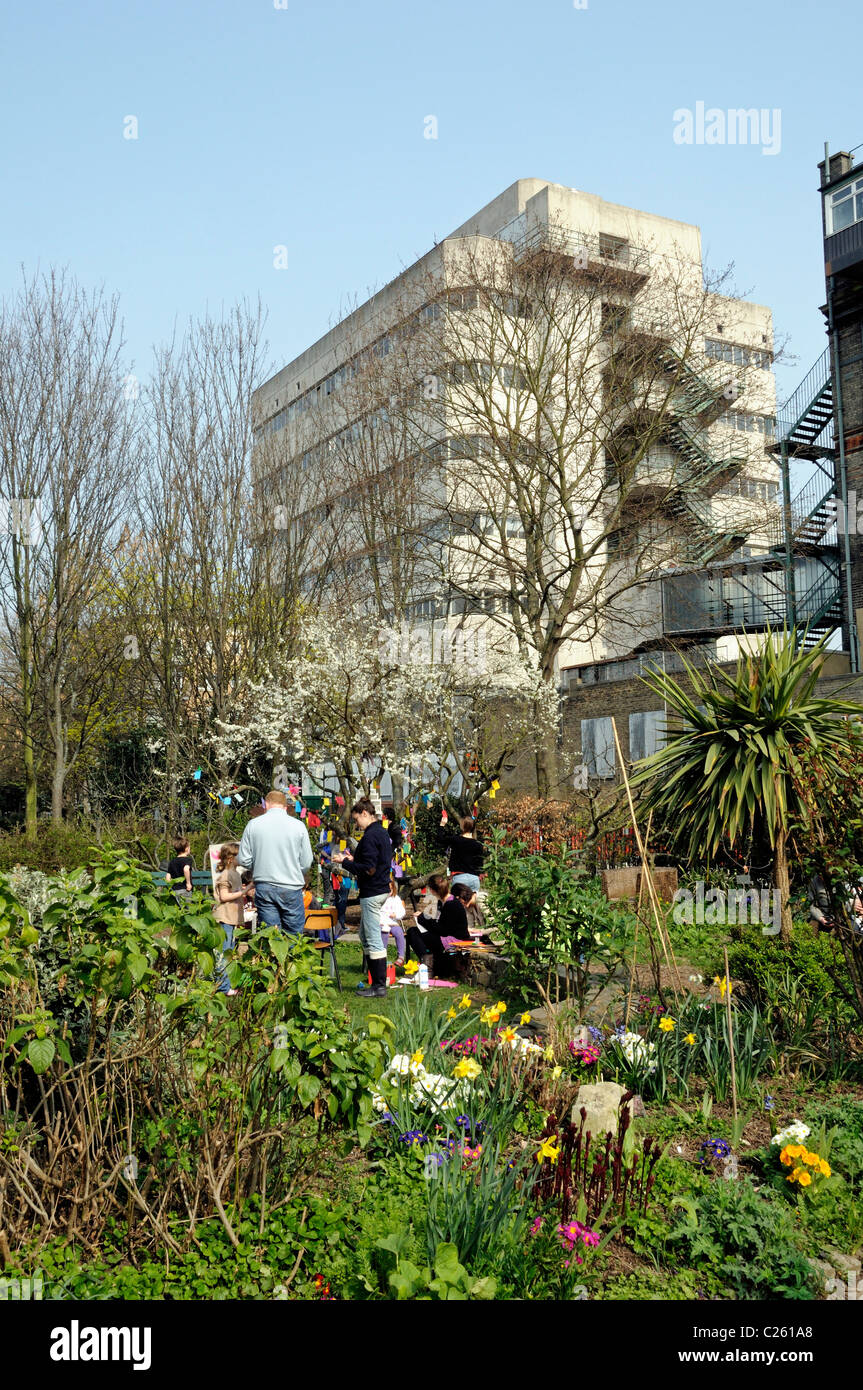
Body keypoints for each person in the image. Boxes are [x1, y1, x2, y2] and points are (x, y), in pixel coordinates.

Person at [332, 796, 392, 998]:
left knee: (373, 938)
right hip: (380, 889)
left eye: (357, 819)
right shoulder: (381, 832)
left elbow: (368, 869)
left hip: (372, 892)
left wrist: (346, 863)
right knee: (365, 935)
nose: (356, 824)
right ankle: (373, 981)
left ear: (365, 814)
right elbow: (371, 861)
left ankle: (379, 986)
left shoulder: (369, 836)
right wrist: (352, 859)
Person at [237, 789, 313, 938]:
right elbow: (306, 861)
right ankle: (291, 960)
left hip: (264, 886)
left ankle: (274, 960)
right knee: (293, 936)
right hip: (291, 886)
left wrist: (258, 865)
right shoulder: (298, 826)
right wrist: (296, 871)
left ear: (266, 805)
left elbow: (243, 859)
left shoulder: (253, 825)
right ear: (285, 807)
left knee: (271, 936)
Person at [405, 873, 470, 978]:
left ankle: (427, 966)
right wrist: (425, 919)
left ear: (432, 890)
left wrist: (422, 918)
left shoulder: (452, 905)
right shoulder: (443, 902)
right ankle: (427, 964)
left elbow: (442, 929)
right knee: (414, 931)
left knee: (413, 933)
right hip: (445, 935)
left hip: (452, 939)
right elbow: (439, 924)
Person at [213, 842, 249, 996]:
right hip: (225, 918)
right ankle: (222, 987)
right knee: (224, 952)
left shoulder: (234, 874)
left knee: (229, 951)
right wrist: (244, 891)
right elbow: (224, 896)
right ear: (230, 859)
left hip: (231, 918)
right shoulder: (226, 875)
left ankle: (225, 985)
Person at [442, 816, 485, 895]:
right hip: (474, 879)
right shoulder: (478, 845)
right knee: (472, 906)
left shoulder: (455, 840)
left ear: (462, 827)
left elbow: (440, 839)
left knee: (458, 906)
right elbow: (480, 864)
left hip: (460, 879)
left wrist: (442, 824)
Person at [380, 874, 407, 966]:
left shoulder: (396, 899)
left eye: (390, 890)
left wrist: (396, 915)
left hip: (393, 923)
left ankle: (401, 956)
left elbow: (402, 911)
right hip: (382, 923)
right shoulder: (379, 900)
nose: (388, 892)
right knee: (384, 932)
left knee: (399, 932)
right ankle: (382, 956)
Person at [166, 836, 194, 900]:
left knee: (178, 908)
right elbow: (186, 869)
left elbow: (168, 876)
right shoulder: (187, 860)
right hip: (185, 890)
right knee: (186, 908)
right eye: (189, 847)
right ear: (186, 849)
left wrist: (170, 887)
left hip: (175, 890)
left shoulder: (172, 861)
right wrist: (188, 883)